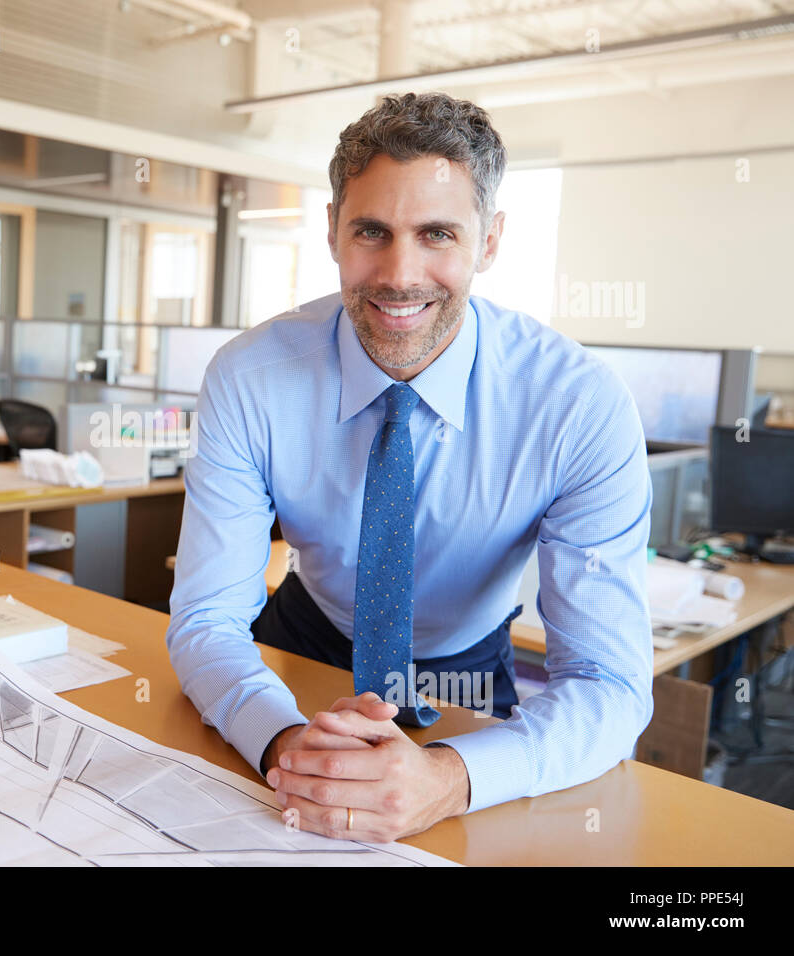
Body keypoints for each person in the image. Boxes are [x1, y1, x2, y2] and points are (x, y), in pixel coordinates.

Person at [165, 91, 654, 843]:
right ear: (331, 229)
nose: (400, 274)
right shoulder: (251, 377)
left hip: (466, 668)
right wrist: (287, 746)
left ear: (488, 241)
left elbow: (611, 686)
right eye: (371, 231)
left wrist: (451, 779)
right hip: (304, 644)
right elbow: (205, 619)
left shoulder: (577, 405)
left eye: (437, 234)